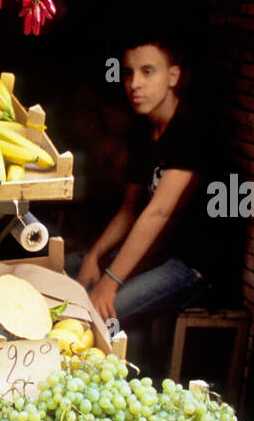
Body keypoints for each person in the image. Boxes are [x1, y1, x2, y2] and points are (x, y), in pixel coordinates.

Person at [77, 36, 217, 328]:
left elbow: (159, 211)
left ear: (173, 77)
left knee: (94, 315)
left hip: (192, 265)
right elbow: (130, 210)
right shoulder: (143, 129)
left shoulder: (191, 130)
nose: (134, 83)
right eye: (128, 73)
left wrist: (110, 281)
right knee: (68, 274)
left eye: (148, 72)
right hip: (156, 251)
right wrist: (94, 256)